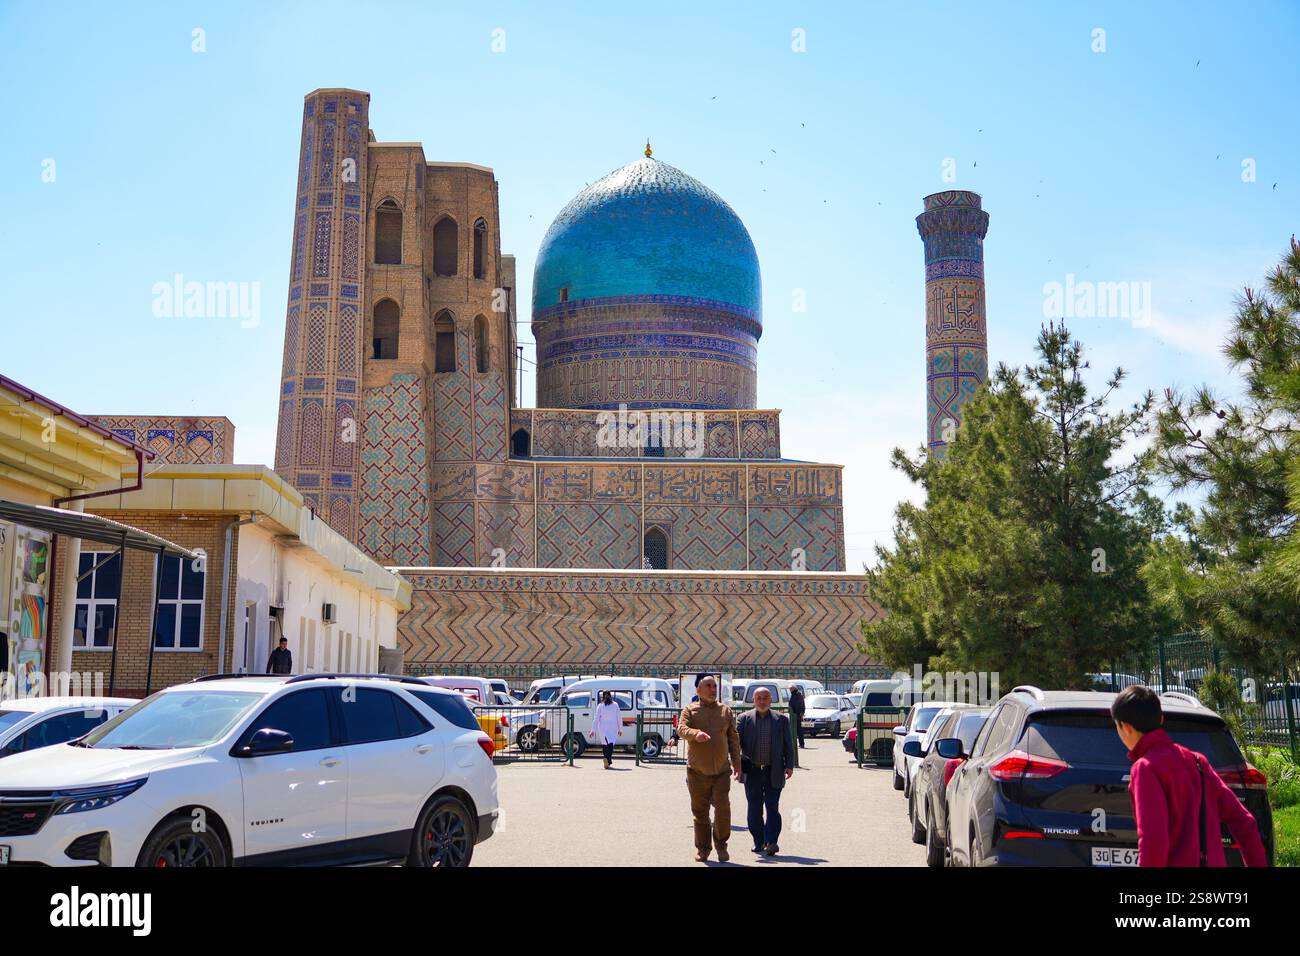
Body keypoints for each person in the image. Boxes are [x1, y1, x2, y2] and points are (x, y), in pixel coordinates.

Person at [1111, 685, 1267, 867]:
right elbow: (1244, 822)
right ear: (1161, 719)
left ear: (1126, 728)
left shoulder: (1146, 768)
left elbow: (1154, 841)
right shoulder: (1198, 762)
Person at [677, 672, 742, 862]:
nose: (713, 690)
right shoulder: (689, 710)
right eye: (709, 686)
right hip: (697, 771)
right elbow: (681, 729)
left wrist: (737, 763)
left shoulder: (725, 711)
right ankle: (703, 849)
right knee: (700, 813)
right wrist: (695, 733)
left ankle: (722, 846)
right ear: (698, 690)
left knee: (723, 808)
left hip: (721, 771)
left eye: (715, 686)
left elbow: (733, 738)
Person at [737, 686, 795, 856]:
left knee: (772, 806)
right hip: (752, 771)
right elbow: (735, 745)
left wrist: (789, 765)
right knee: (754, 809)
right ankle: (759, 840)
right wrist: (736, 766)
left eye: (765, 698)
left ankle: (771, 841)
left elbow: (788, 745)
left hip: (774, 770)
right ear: (754, 700)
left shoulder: (781, 720)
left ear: (771, 700)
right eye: (759, 698)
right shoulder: (743, 719)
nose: (762, 701)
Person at [592, 689, 622, 769]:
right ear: (610, 696)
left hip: (603, 728)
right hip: (613, 728)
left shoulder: (600, 706)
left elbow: (596, 718)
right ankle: (608, 760)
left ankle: (607, 759)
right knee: (610, 744)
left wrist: (593, 730)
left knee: (605, 745)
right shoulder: (615, 705)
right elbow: (619, 718)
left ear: (602, 697)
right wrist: (620, 729)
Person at [788, 684, 806, 749]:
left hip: (796, 715)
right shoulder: (796, 694)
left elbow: (798, 706)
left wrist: (797, 713)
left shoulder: (797, 695)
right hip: (796, 715)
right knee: (796, 730)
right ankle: (799, 744)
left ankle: (800, 744)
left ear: (794, 688)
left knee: (797, 730)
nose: (790, 690)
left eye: (791, 688)